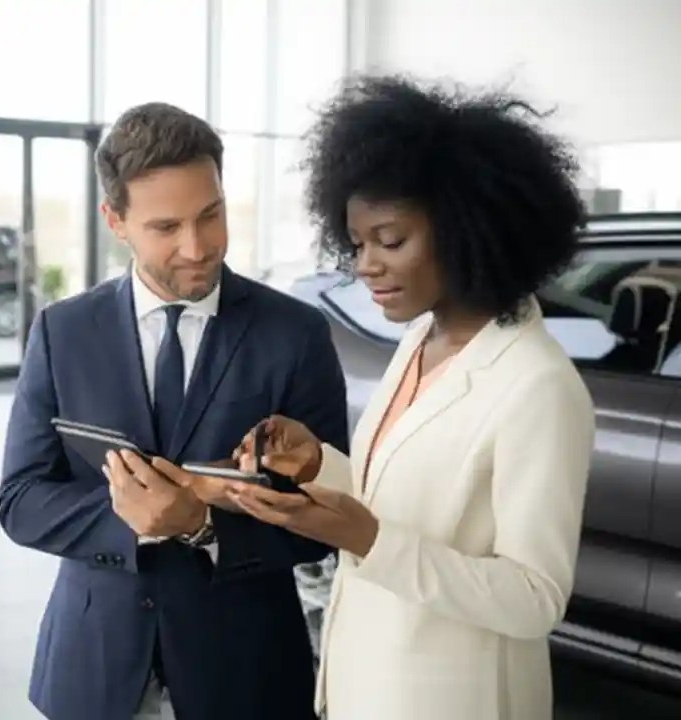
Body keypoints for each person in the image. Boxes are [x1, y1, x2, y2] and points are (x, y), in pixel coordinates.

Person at [220, 76, 596, 720]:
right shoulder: (422, 337)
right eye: (359, 243)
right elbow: (397, 500)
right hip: (370, 683)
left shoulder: (539, 387)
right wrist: (318, 467)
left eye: (390, 241)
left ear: (468, 230)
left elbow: (535, 598)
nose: (366, 264)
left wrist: (369, 539)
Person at [0, 101, 349, 720]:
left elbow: (324, 519)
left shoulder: (296, 333)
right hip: (95, 668)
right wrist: (136, 519)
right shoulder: (62, 332)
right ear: (116, 220)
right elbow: (20, 498)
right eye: (166, 228)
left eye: (210, 215)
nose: (197, 246)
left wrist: (202, 526)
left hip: (246, 671)